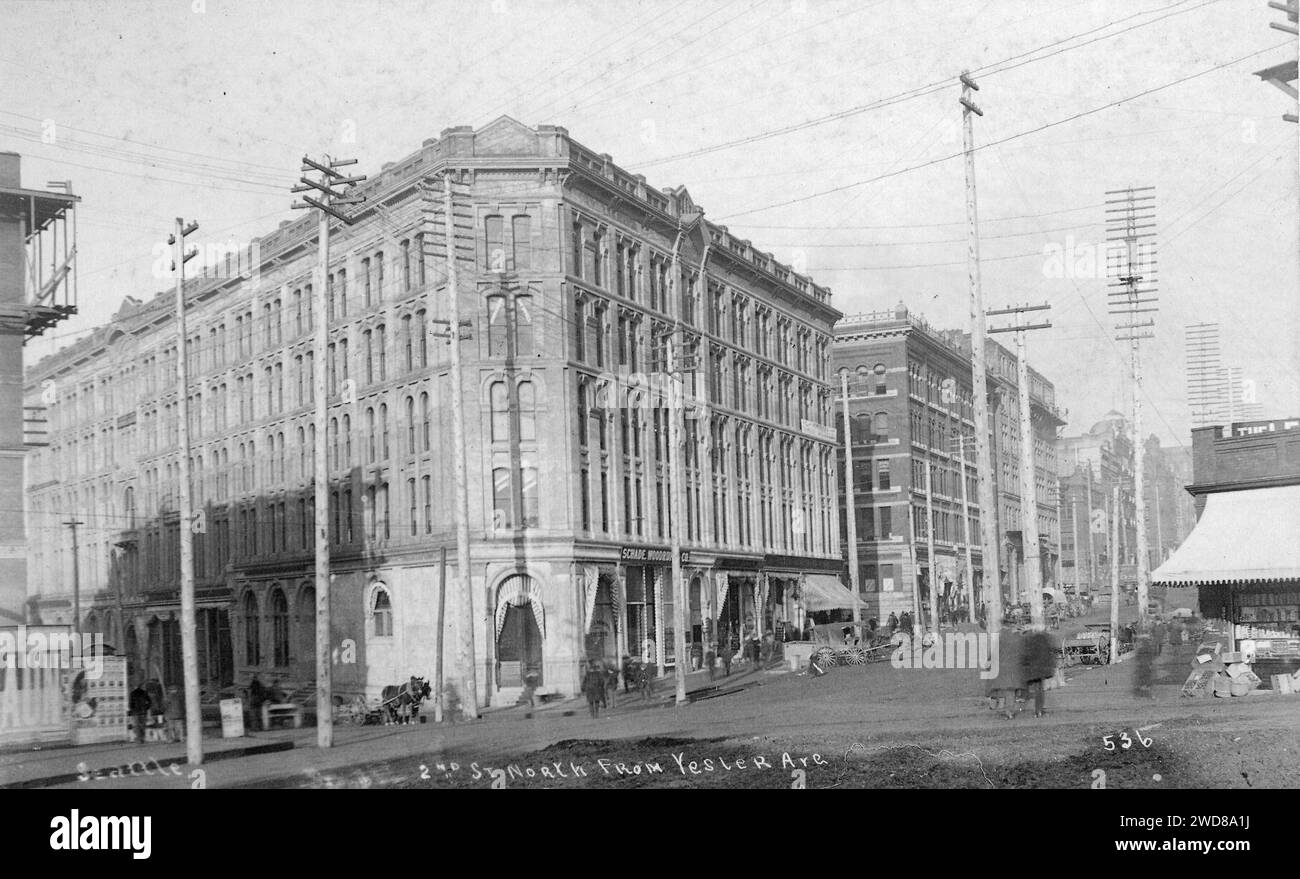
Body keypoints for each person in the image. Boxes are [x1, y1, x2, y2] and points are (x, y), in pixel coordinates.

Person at [1022, 629, 1057, 718]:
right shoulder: (1043, 639)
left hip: (1033, 670)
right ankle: (1039, 710)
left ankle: (1038, 710)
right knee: (1040, 690)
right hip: (1040, 670)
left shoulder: (1029, 641)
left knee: (1037, 689)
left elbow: (1025, 656)